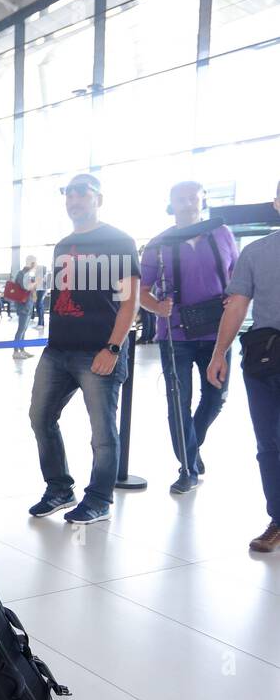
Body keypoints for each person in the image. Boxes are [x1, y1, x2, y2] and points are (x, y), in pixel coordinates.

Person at [27, 173, 139, 525]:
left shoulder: (118, 241)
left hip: (98, 352)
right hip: (57, 351)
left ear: (98, 199)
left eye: (82, 194)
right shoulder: (62, 245)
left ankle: (100, 500)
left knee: (103, 432)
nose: (74, 200)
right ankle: (59, 488)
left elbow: (129, 301)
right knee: (40, 418)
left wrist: (112, 347)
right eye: (69, 195)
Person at [139, 181, 239, 494]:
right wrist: (158, 306)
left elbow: (238, 276)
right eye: (180, 199)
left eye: (192, 198)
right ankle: (188, 468)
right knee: (178, 401)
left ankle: (190, 448)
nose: (187, 203)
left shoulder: (222, 234)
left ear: (202, 199)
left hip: (218, 331)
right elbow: (140, 291)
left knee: (216, 397)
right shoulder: (159, 243)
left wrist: (233, 296)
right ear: (171, 203)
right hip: (175, 335)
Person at [207, 179, 280, 553]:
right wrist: (219, 352)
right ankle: (278, 519)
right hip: (266, 358)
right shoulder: (257, 252)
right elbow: (237, 304)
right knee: (269, 443)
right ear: (276, 203)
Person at [10, 255, 43, 359]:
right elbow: (26, 287)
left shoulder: (31, 274)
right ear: (31, 263)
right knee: (21, 328)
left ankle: (22, 350)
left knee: (24, 329)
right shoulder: (21, 274)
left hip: (29, 304)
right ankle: (15, 351)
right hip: (22, 305)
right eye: (35, 262)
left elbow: (33, 288)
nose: (36, 265)